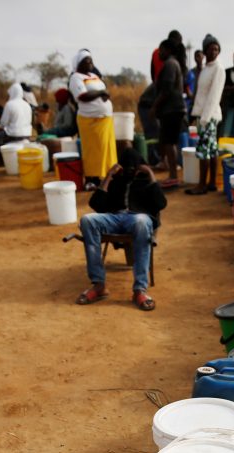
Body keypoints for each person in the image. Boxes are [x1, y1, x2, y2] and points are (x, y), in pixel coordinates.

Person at [75, 148, 167, 311]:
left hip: (137, 218)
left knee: (140, 220)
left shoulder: (146, 183)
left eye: (134, 168)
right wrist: (109, 176)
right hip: (114, 218)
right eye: (127, 168)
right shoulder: (117, 181)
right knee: (87, 220)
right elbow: (95, 204)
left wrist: (151, 175)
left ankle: (139, 289)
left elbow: (161, 204)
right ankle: (99, 285)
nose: (130, 171)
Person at [70, 49, 118, 191]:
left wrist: (103, 94)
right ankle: (91, 179)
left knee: (105, 149)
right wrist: (100, 93)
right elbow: (82, 96)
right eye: (87, 61)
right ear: (79, 64)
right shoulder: (75, 78)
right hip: (89, 120)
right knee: (92, 150)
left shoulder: (94, 76)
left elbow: (103, 91)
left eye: (91, 60)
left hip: (105, 119)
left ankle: (106, 177)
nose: (91, 63)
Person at [186, 34, 226, 195]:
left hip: (208, 116)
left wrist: (204, 119)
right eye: (211, 49)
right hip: (203, 114)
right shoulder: (206, 69)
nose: (214, 52)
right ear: (205, 51)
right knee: (212, 149)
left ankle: (202, 184)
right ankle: (210, 183)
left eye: (216, 49)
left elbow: (214, 96)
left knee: (203, 150)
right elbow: (200, 94)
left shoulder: (218, 69)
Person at [151, 38, 186, 187]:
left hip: (172, 109)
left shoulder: (170, 64)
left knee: (169, 142)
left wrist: (154, 107)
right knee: (168, 142)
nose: (159, 53)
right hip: (172, 109)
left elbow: (167, 90)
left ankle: (173, 176)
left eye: (161, 50)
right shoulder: (172, 63)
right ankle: (172, 175)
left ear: (168, 50)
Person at [186, 49, 204, 114]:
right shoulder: (191, 72)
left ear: (203, 57)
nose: (197, 58)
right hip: (192, 102)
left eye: (199, 56)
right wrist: (191, 96)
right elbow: (187, 86)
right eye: (196, 56)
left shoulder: (206, 71)